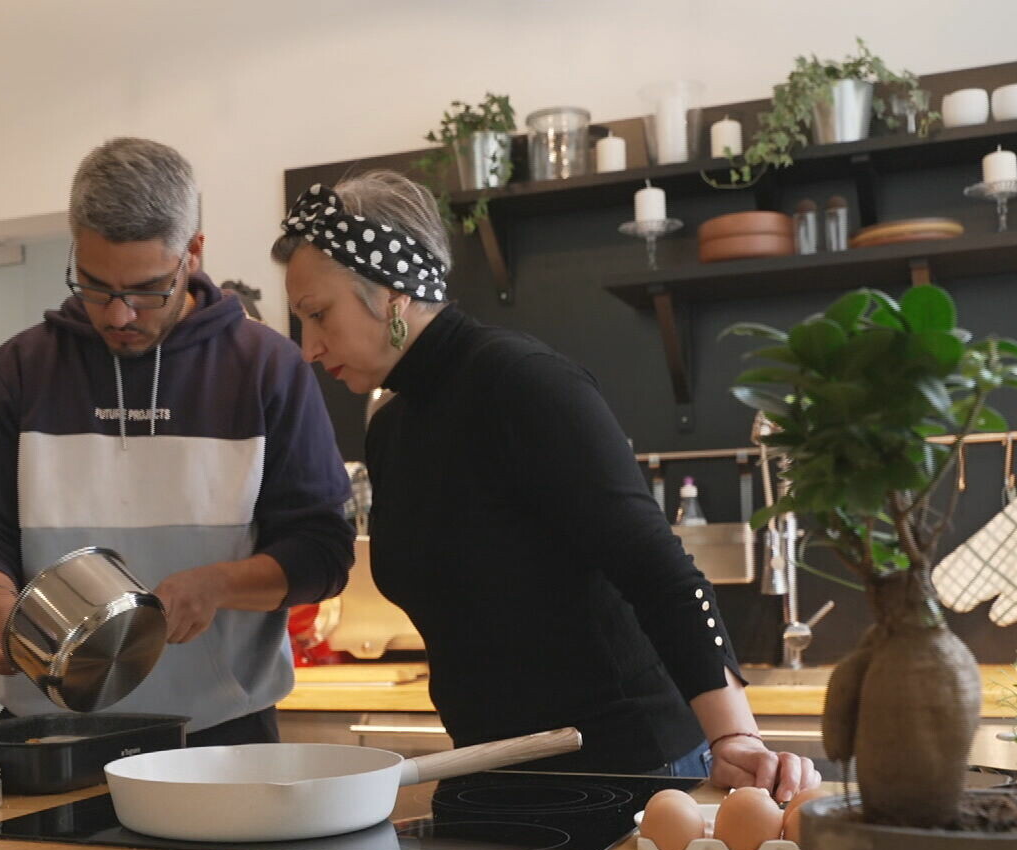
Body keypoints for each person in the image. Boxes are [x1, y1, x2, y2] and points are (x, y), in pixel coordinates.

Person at [271, 172, 820, 799]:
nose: (308, 348)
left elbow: (660, 571)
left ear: (393, 292)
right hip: (489, 771)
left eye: (318, 314)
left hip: (624, 773)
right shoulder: (391, 428)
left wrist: (735, 737)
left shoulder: (524, 383)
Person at [0, 138, 354, 745]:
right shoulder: (19, 370)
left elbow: (322, 553)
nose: (119, 315)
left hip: (220, 737)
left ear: (194, 253)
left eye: (147, 289)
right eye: (94, 285)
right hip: (50, 735)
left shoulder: (267, 368)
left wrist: (218, 584)